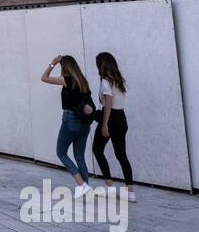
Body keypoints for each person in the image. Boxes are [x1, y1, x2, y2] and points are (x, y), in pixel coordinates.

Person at [40, 54, 95, 198]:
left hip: (70, 120)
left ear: (65, 67)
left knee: (61, 152)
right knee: (79, 156)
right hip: (85, 123)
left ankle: (81, 184)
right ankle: (86, 187)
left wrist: (52, 63)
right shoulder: (84, 81)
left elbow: (44, 78)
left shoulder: (66, 80)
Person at [92, 52, 135, 202]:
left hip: (110, 117)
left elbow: (108, 103)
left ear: (102, 64)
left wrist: (104, 124)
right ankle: (130, 192)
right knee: (121, 154)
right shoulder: (118, 80)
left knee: (97, 150)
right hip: (121, 118)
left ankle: (109, 186)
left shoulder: (105, 81)